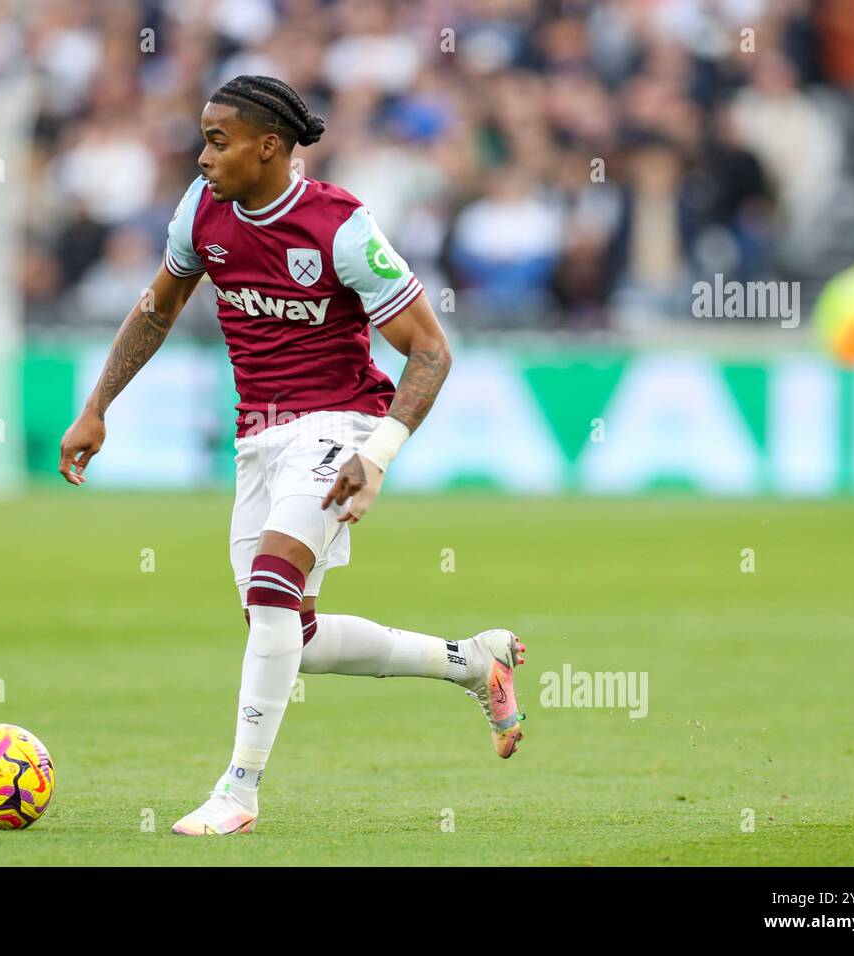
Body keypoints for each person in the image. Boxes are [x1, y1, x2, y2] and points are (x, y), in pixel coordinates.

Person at [57, 76, 525, 836]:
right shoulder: (199, 212)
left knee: (273, 585)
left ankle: (238, 791)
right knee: (288, 634)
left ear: (268, 147)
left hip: (341, 421)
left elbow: (431, 354)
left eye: (218, 140)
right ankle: (473, 661)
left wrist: (377, 454)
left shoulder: (339, 226)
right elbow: (157, 309)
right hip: (259, 438)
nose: (202, 156)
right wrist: (96, 407)